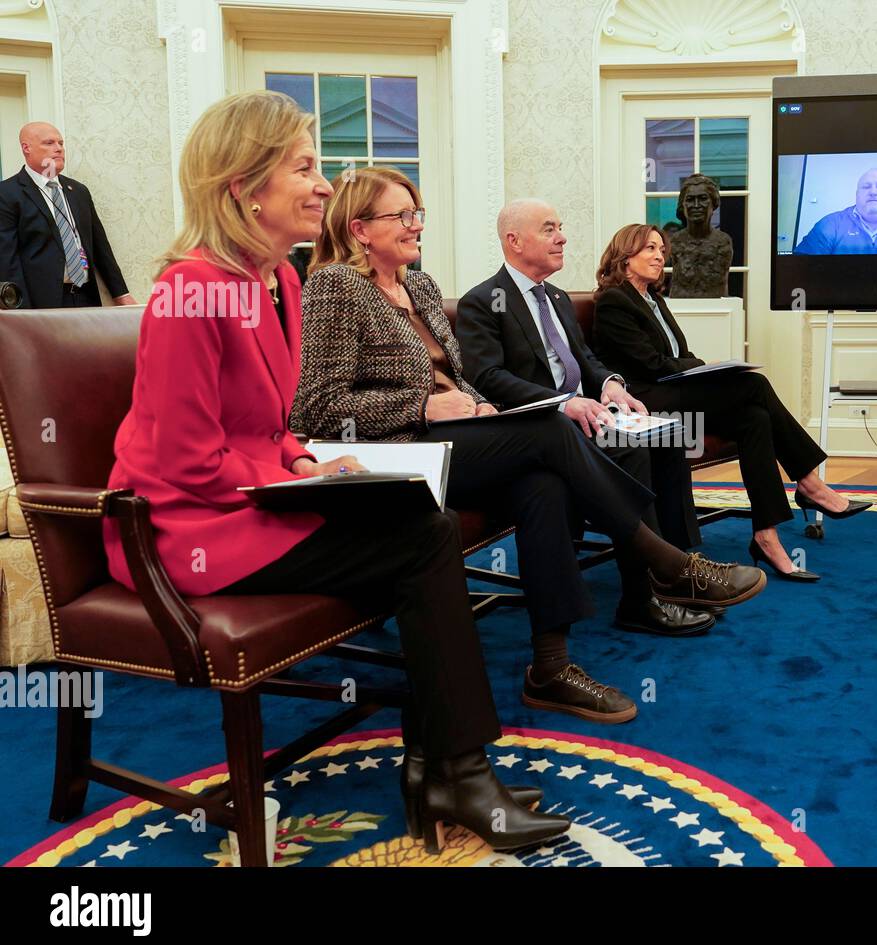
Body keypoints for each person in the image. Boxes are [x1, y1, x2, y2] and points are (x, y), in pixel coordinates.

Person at [102, 90, 568, 854]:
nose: (323, 184)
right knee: (424, 534)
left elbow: (272, 425)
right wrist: (300, 485)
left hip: (248, 495)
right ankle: (453, 772)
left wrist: (308, 458)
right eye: (305, 167)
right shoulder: (188, 291)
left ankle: (444, 766)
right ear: (243, 189)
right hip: (186, 525)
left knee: (422, 519)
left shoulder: (280, 281)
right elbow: (188, 461)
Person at [293, 168, 766, 724]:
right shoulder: (333, 286)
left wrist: (480, 406)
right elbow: (315, 407)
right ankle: (667, 560)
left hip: (456, 436)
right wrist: (419, 407)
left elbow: (461, 377)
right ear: (360, 229)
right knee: (552, 427)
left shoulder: (418, 286)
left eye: (417, 213)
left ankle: (550, 666)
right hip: (398, 447)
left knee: (541, 480)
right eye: (402, 215)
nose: (416, 225)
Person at [592, 224, 872, 581]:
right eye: (649, 248)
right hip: (646, 404)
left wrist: (700, 367)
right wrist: (703, 368)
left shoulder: (654, 300)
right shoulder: (615, 300)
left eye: (662, 249)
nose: (660, 255)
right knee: (753, 384)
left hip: (672, 392)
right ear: (624, 257)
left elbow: (679, 354)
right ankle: (809, 483)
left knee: (754, 418)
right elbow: (651, 364)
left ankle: (766, 535)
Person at [456, 199, 716, 561]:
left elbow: (585, 358)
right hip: (544, 427)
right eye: (549, 229)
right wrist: (563, 402)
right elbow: (488, 376)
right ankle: (645, 593)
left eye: (560, 228)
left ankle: (682, 559)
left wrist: (610, 382)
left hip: (591, 414)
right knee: (633, 448)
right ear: (514, 241)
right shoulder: (485, 301)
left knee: (669, 434)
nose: (562, 238)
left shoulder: (558, 298)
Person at [0, 122, 137, 308]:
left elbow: (100, 247)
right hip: (41, 304)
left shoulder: (78, 191)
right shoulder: (7, 194)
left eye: (61, 143)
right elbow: (7, 259)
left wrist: (121, 294)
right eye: (49, 143)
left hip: (86, 298)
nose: (58, 149)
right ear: (26, 148)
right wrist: (19, 309)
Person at [667, 173, 732, 297]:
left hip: (717, 309)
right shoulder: (674, 241)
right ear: (683, 205)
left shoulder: (723, 241)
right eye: (690, 200)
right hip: (681, 308)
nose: (696, 205)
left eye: (703, 198)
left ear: (713, 203)